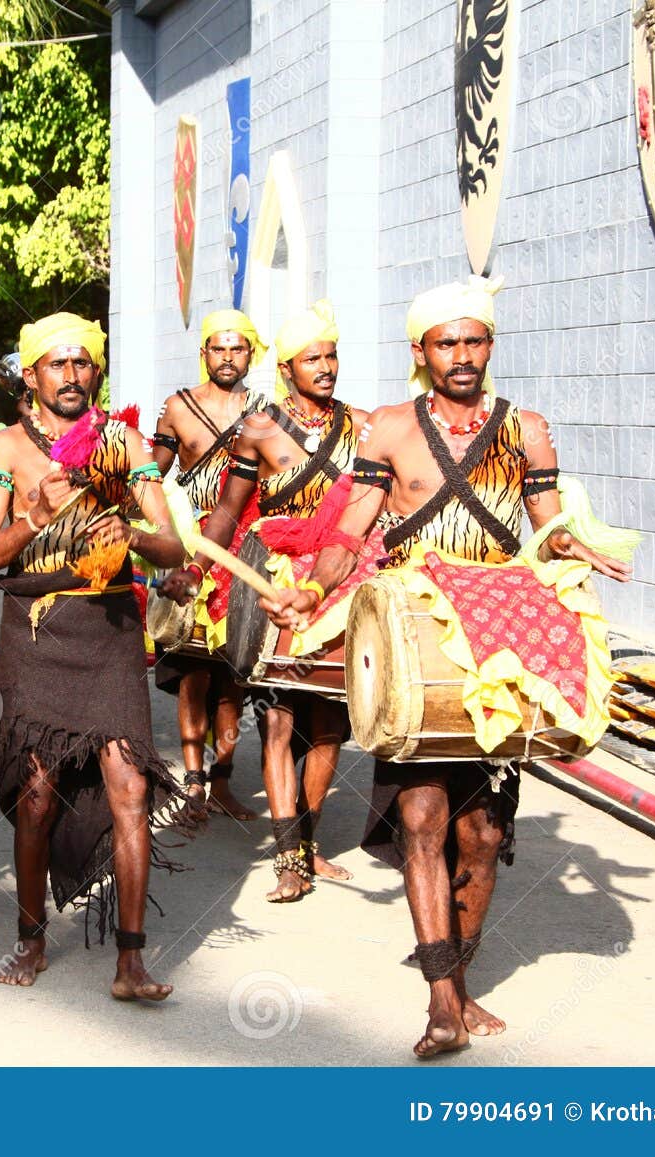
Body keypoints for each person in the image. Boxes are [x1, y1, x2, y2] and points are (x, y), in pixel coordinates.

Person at [264, 276, 630, 1058]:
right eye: (446, 342)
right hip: (420, 636)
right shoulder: (390, 429)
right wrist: (314, 590)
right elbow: (352, 529)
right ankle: (440, 1002)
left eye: (474, 340)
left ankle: (459, 982)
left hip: (499, 638)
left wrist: (574, 545)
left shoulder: (526, 429)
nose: (461, 355)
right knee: (424, 819)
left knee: (483, 835)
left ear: (489, 345)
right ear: (420, 351)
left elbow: (545, 527)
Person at [0, 313, 188, 1001]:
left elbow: (174, 546)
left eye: (82, 362)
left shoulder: (124, 443)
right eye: (56, 364)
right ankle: (31, 939)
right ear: (31, 374)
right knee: (36, 798)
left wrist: (134, 536)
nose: (71, 375)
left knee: (131, 789)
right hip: (36, 635)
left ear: (97, 371)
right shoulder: (5, 447)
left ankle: (131, 960)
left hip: (109, 632)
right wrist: (35, 514)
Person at [177, 301, 369, 902]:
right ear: (286, 369)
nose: (325, 367)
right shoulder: (259, 429)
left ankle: (307, 843)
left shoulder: (365, 428)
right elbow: (228, 510)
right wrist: (196, 568)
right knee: (279, 719)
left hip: (340, 583)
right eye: (312, 359)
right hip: (274, 583)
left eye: (331, 356)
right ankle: (289, 858)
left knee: (330, 724)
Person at [151, 310, 263, 821]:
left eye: (237, 348)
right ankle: (193, 783)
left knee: (234, 673)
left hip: (244, 550)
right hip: (192, 544)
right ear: (204, 353)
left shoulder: (266, 413)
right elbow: (151, 474)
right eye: (219, 348)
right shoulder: (178, 407)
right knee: (192, 669)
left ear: (251, 354)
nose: (228, 357)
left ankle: (222, 781)